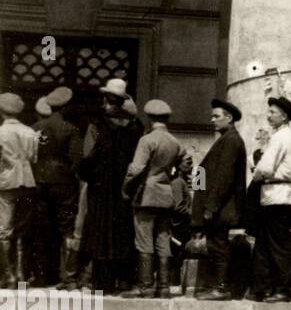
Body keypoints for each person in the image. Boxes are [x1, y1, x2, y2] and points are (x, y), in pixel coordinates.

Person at [121, 99, 192, 298]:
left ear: (149, 118)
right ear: (167, 118)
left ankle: (145, 286)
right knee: (163, 239)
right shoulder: (175, 141)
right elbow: (189, 166)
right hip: (166, 194)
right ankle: (163, 286)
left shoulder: (147, 140)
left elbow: (136, 169)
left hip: (147, 194)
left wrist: (126, 188)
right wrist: (180, 181)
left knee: (144, 241)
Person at [77, 79, 142, 292]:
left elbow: (87, 157)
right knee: (124, 230)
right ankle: (124, 280)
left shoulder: (97, 125)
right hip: (126, 187)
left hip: (101, 187)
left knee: (100, 231)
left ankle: (103, 283)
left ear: (106, 99)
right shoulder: (136, 126)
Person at [193, 99, 247, 301]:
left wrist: (209, 207)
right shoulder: (225, 139)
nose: (212, 120)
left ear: (229, 118)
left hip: (221, 207)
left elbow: (224, 177)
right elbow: (202, 171)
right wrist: (196, 193)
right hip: (215, 205)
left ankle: (222, 288)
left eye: (216, 116)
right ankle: (216, 285)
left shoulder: (232, 140)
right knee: (216, 245)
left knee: (219, 246)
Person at [250, 96, 291, 302]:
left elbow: (264, 168)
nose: (269, 115)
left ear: (284, 116)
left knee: (277, 245)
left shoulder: (281, 137)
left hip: (276, 195)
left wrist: (255, 175)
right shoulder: (287, 136)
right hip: (277, 194)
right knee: (267, 243)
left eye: (273, 112)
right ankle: (265, 287)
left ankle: (283, 289)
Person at [33, 87, 82, 290]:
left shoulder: (36, 127)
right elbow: (76, 160)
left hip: (40, 181)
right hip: (64, 183)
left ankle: (42, 275)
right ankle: (68, 276)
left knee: (42, 227)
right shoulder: (71, 129)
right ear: (66, 107)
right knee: (67, 229)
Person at [0, 92, 39, 289]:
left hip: (6, 183)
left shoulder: (1, 133)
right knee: (22, 230)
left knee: (4, 230)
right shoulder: (30, 132)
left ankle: (8, 275)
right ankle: (22, 273)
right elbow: (33, 159)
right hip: (28, 182)